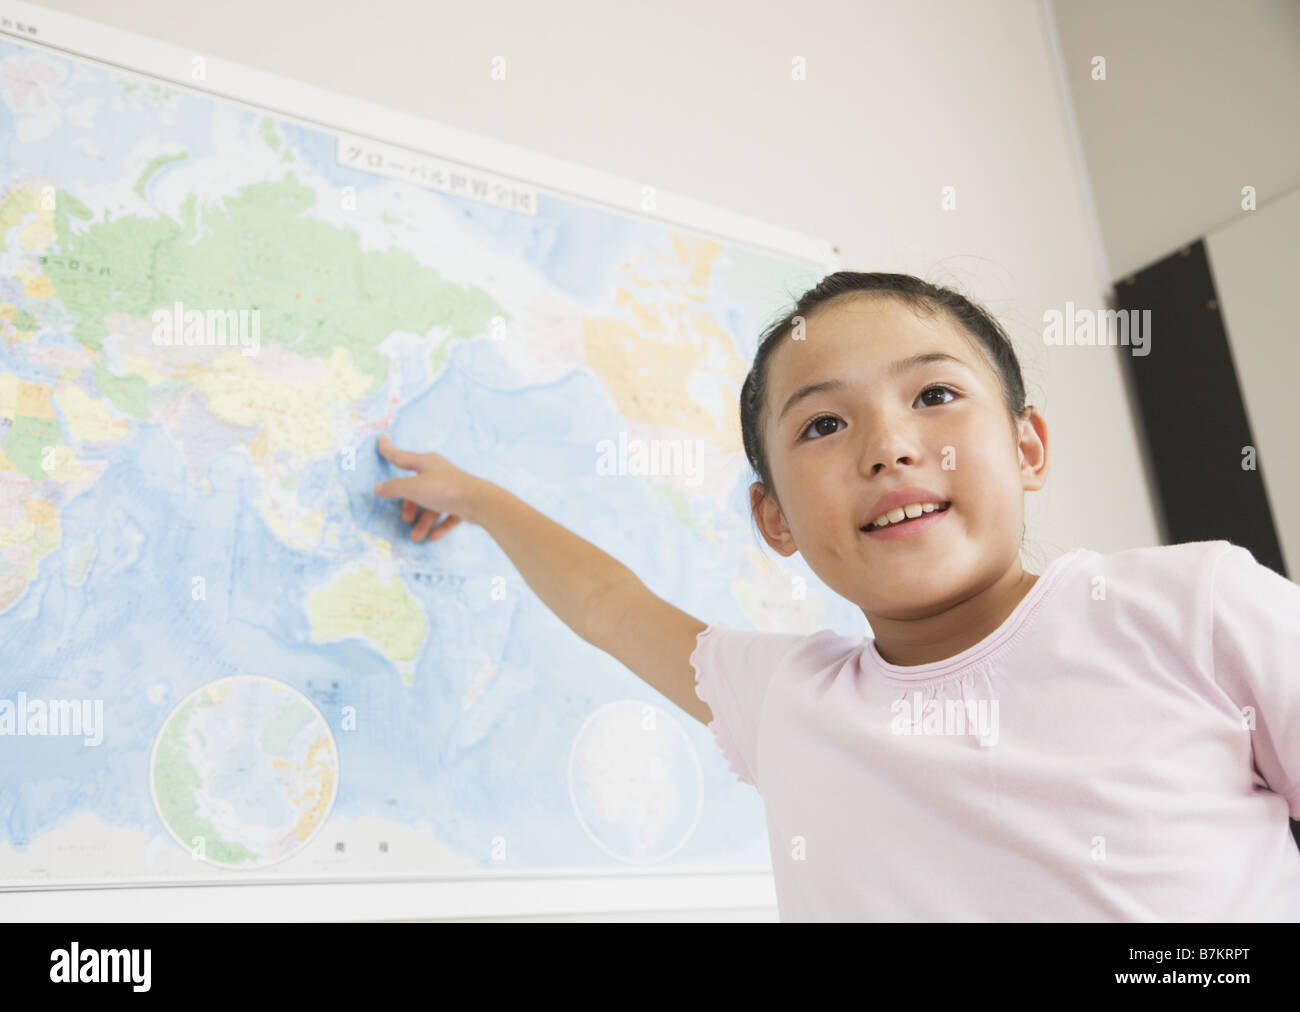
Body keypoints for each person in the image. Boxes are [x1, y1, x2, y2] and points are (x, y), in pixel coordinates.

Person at [372, 270, 1300, 921]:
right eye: (823, 422)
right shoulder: (792, 703)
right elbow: (610, 604)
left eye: (934, 395)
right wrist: (476, 498)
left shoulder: (1193, 605)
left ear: (1026, 449)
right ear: (773, 519)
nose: (890, 447)